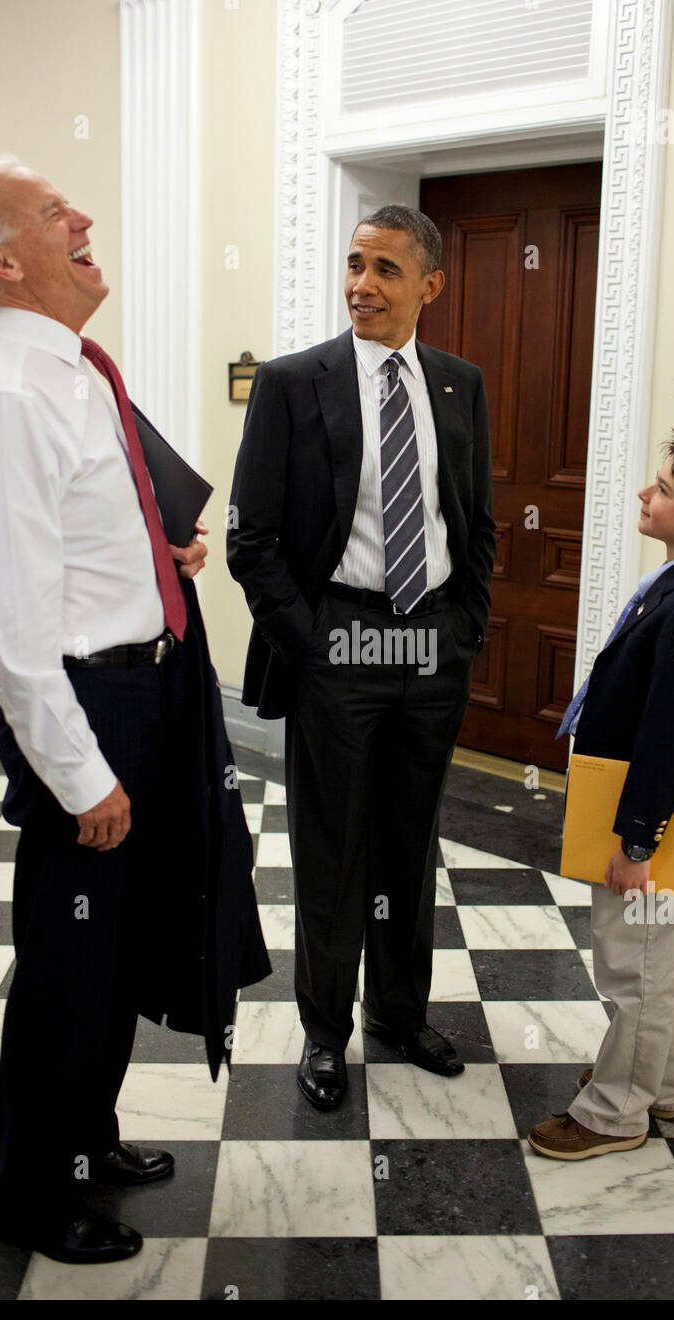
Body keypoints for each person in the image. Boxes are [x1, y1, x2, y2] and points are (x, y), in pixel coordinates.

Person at [0, 156, 269, 1261]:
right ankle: (33, 1198)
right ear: (1, 260)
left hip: (154, 686)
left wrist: (158, 554)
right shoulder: (1, 396)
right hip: (91, 712)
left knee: (125, 950)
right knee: (68, 970)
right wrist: (82, 776)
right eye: (51, 214)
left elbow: (84, 537)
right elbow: (3, 617)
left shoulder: (80, 372)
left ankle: (90, 1143)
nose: (81, 217)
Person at [228, 205, 495, 1110]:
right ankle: (325, 1033)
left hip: (431, 645)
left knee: (409, 844)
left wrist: (465, 630)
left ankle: (398, 1012)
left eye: (384, 269)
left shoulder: (460, 384)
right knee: (333, 849)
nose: (361, 286)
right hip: (340, 640)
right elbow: (251, 539)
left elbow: (476, 521)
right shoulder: (295, 382)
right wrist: (313, 648)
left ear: (430, 285)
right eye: (353, 264)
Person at [528, 431, 674, 1159]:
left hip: (650, 820)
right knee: (660, 955)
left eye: (662, 489)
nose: (644, 493)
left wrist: (637, 844)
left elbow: (673, 736)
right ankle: (665, 1085)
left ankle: (614, 1113)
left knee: (633, 964)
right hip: (646, 811)